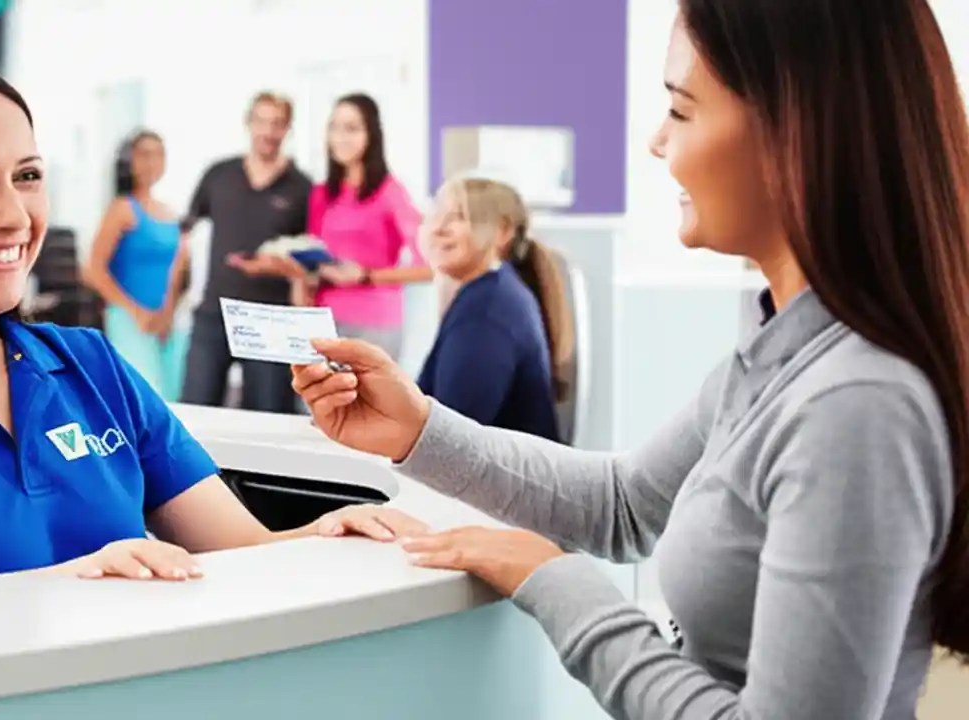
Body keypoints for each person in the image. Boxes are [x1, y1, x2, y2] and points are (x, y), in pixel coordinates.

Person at [291, 1, 969, 717]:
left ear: (791, 129)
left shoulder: (856, 403)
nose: (655, 142)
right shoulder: (782, 351)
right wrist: (419, 430)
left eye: (680, 111)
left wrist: (557, 582)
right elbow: (626, 503)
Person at [0, 58, 425, 598]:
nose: (14, 215)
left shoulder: (90, 367)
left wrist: (320, 534)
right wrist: (79, 583)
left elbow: (243, 555)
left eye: (28, 175)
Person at [237, 93, 429, 359]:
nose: (340, 137)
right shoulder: (321, 194)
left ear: (371, 134)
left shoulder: (391, 192)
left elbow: (428, 268)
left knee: (364, 401)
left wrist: (366, 275)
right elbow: (315, 256)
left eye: (351, 128)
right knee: (313, 401)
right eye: (334, 127)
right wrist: (298, 280)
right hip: (321, 321)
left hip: (373, 324)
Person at [178, 92, 312, 414]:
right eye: (262, 121)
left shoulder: (302, 187)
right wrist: (172, 300)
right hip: (214, 311)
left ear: (288, 129)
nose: (268, 131)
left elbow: (309, 261)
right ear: (248, 124)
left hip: (271, 319)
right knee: (195, 412)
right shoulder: (219, 175)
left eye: (277, 123)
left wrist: (277, 267)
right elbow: (185, 236)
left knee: (270, 417)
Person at [418, 177, 569, 441]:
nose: (438, 228)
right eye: (436, 214)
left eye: (458, 217)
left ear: (502, 231)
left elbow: (451, 438)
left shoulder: (486, 312)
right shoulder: (490, 293)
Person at [81, 130, 189, 401]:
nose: (152, 161)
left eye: (158, 154)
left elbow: (177, 273)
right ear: (130, 161)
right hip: (129, 320)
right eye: (144, 154)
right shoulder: (121, 209)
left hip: (167, 324)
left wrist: (167, 312)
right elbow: (92, 270)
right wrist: (135, 311)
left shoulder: (171, 214)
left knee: (172, 403)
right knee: (142, 398)